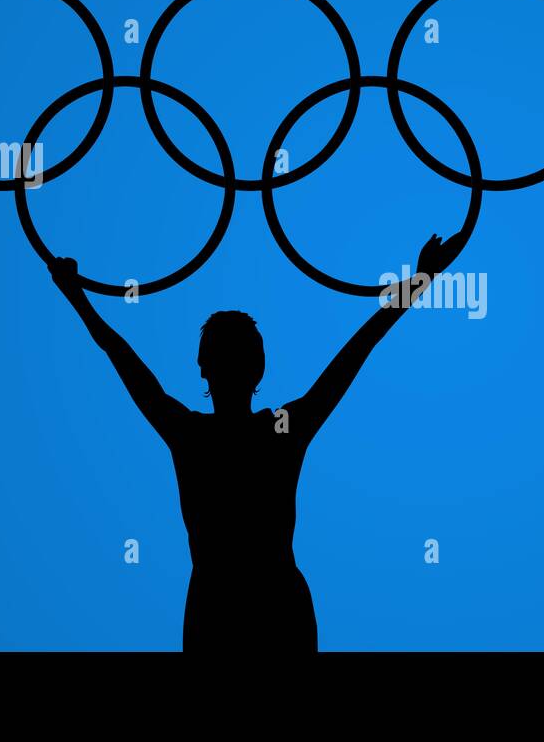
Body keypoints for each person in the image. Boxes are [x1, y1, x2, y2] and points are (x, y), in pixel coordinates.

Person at [47, 232, 463, 652]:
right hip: (271, 608)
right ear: (259, 368)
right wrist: (422, 279)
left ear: (202, 367)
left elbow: (119, 355)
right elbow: (357, 349)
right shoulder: (279, 429)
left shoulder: (193, 434)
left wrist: (75, 296)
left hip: (223, 609)